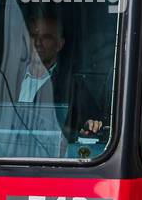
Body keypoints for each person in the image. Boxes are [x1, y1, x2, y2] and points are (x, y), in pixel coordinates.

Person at [18, 11, 104, 141]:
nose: (37, 42)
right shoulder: (6, 76)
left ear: (59, 44)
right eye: (33, 35)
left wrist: (88, 127)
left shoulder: (73, 87)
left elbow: (92, 123)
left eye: (46, 37)